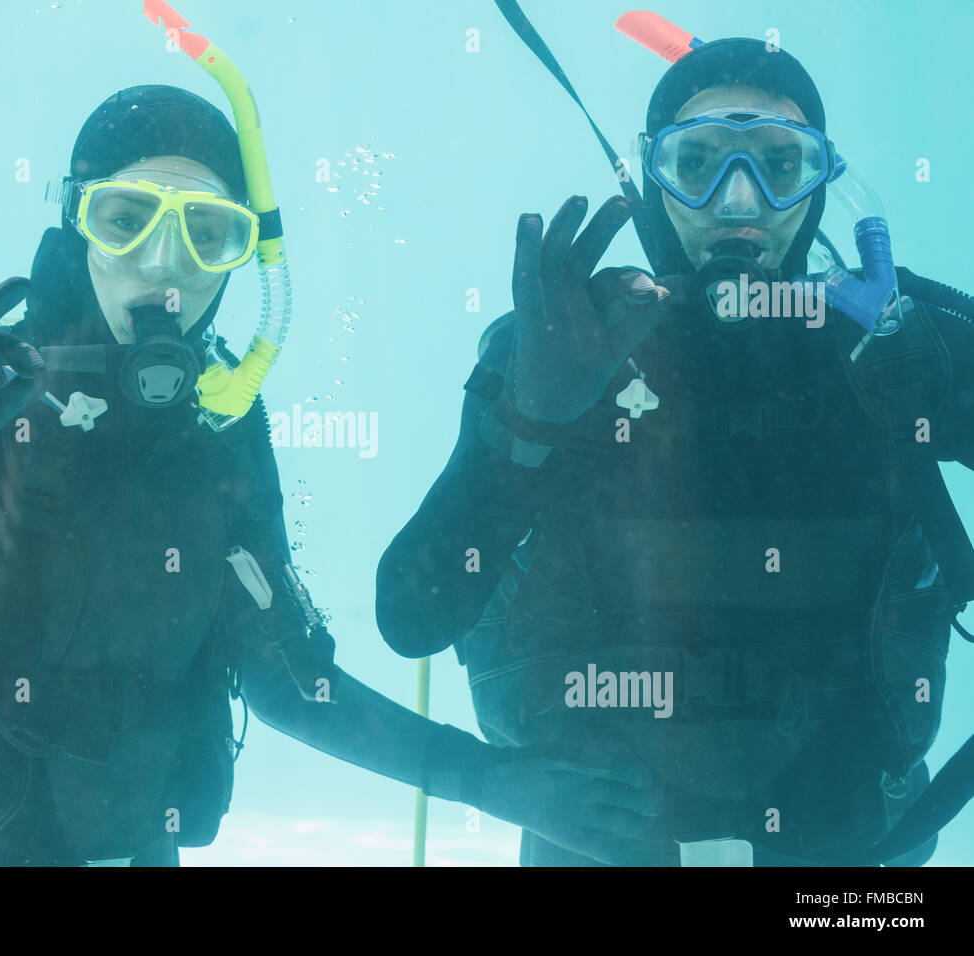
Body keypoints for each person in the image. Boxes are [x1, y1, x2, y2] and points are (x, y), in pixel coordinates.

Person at [0, 84, 624, 866]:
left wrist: (484, 778)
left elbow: (287, 683)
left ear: (246, 255)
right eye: (126, 219)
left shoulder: (220, 434)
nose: (166, 264)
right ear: (73, 221)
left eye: (209, 233)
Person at [375, 29, 974, 866]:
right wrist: (523, 429)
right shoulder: (564, 348)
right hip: (595, 845)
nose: (739, 202)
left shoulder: (897, 354)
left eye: (779, 163)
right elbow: (411, 616)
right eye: (697, 165)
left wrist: (951, 401)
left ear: (823, 185)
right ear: (652, 181)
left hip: (853, 851)